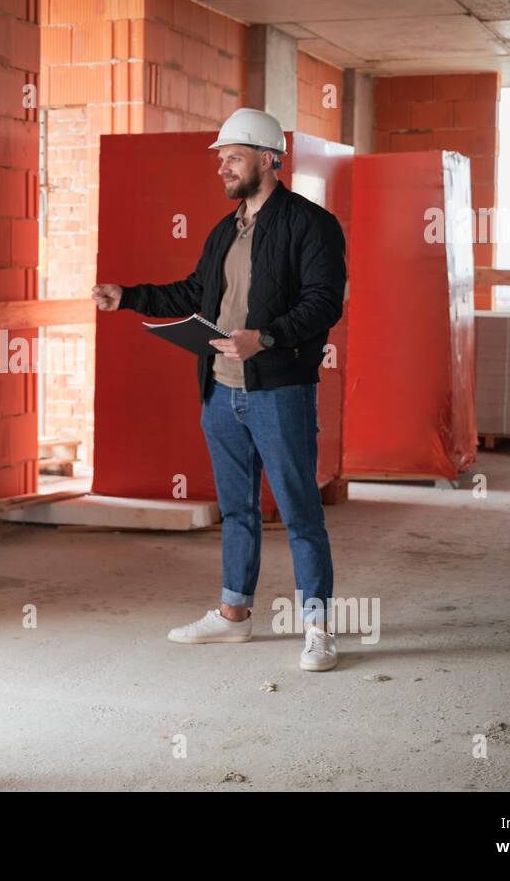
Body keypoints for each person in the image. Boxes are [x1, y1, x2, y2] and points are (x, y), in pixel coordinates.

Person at [92, 107, 347, 672]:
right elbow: (193, 292)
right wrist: (127, 296)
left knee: (300, 510)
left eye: (231, 157)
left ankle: (318, 627)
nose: (222, 168)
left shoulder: (312, 225)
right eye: (220, 159)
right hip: (220, 391)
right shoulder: (224, 230)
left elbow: (324, 302)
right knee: (236, 510)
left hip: (279, 391)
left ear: (267, 158)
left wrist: (269, 338)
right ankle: (235, 615)